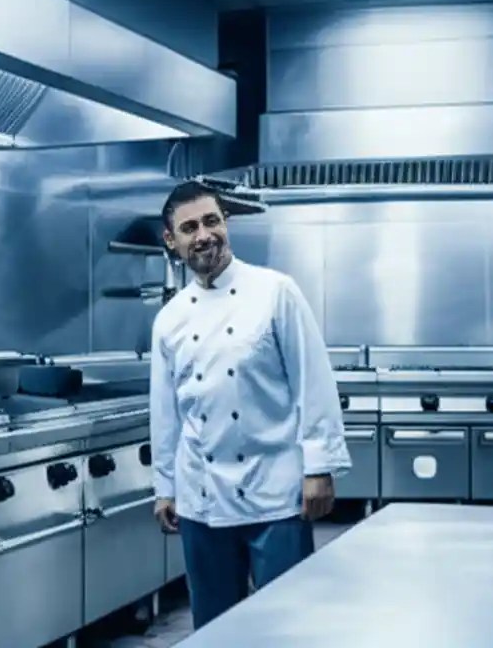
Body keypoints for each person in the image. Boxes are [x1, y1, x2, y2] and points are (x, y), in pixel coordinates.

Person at [148, 181, 351, 629]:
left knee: (288, 623)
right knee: (215, 627)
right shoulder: (170, 319)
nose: (203, 235)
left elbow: (313, 381)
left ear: (225, 224)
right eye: (189, 227)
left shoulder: (276, 291)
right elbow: (165, 414)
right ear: (172, 240)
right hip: (201, 494)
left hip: (274, 492)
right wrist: (166, 486)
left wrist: (319, 467)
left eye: (211, 221)